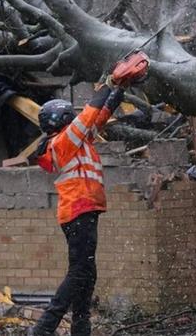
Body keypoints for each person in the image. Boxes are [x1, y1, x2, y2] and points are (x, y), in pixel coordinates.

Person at [28, 83, 126, 336]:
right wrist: (108, 85)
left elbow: (97, 118)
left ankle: (81, 328)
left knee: (87, 272)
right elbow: (88, 116)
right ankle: (44, 328)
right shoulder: (63, 141)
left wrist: (117, 93)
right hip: (79, 209)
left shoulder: (75, 139)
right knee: (81, 270)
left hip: (82, 210)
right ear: (61, 118)